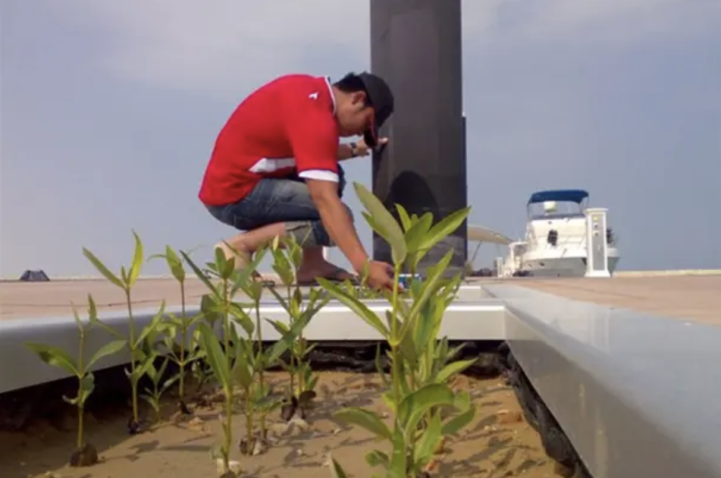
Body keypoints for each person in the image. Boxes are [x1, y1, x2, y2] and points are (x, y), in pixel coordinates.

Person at [198, 72, 396, 290]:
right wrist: (364, 267)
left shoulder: (309, 93)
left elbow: (312, 149)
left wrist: (354, 150)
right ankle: (239, 247)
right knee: (335, 218)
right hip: (235, 197)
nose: (357, 133)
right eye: (366, 124)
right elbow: (324, 199)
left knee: (333, 174)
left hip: (236, 184)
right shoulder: (316, 119)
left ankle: (313, 265)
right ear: (357, 98)